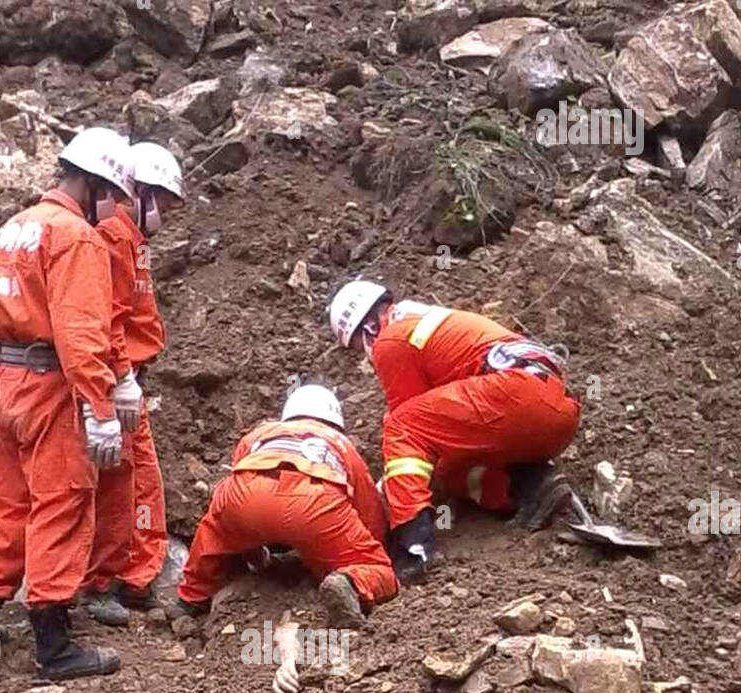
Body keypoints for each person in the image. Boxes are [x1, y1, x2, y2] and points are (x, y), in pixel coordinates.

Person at [0, 127, 134, 681]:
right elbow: (81, 335)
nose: (112, 210)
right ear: (93, 184)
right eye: (112, 196)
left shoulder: (12, 230)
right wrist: (101, 410)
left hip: (8, 385)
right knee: (62, 505)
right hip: (51, 389)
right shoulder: (76, 238)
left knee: (8, 510)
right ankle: (54, 647)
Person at [328, 279, 581, 577]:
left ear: (367, 328)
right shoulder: (426, 323)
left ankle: (412, 545)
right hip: (554, 411)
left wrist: (388, 496)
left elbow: (407, 426)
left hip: (514, 396)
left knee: (401, 426)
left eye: (358, 346)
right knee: (450, 469)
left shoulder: (390, 340)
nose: (364, 354)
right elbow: (438, 430)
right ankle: (532, 486)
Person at [176, 384, 398, 627]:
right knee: (379, 570)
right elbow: (368, 510)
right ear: (335, 420)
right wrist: (372, 548)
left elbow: (239, 475)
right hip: (314, 503)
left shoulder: (259, 434)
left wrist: (249, 542)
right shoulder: (341, 443)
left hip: (244, 495)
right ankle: (352, 583)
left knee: (215, 530)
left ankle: (190, 598)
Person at [81, 142, 185, 625]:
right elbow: (110, 317)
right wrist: (121, 379)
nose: (164, 213)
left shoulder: (132, 240)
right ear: (138, 191)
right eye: (161, 201)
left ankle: (136, 578)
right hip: (114, 378)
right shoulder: (112, 239)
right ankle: (102, 582)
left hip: (127, 376)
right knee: (124, 481)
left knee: (141, 481)